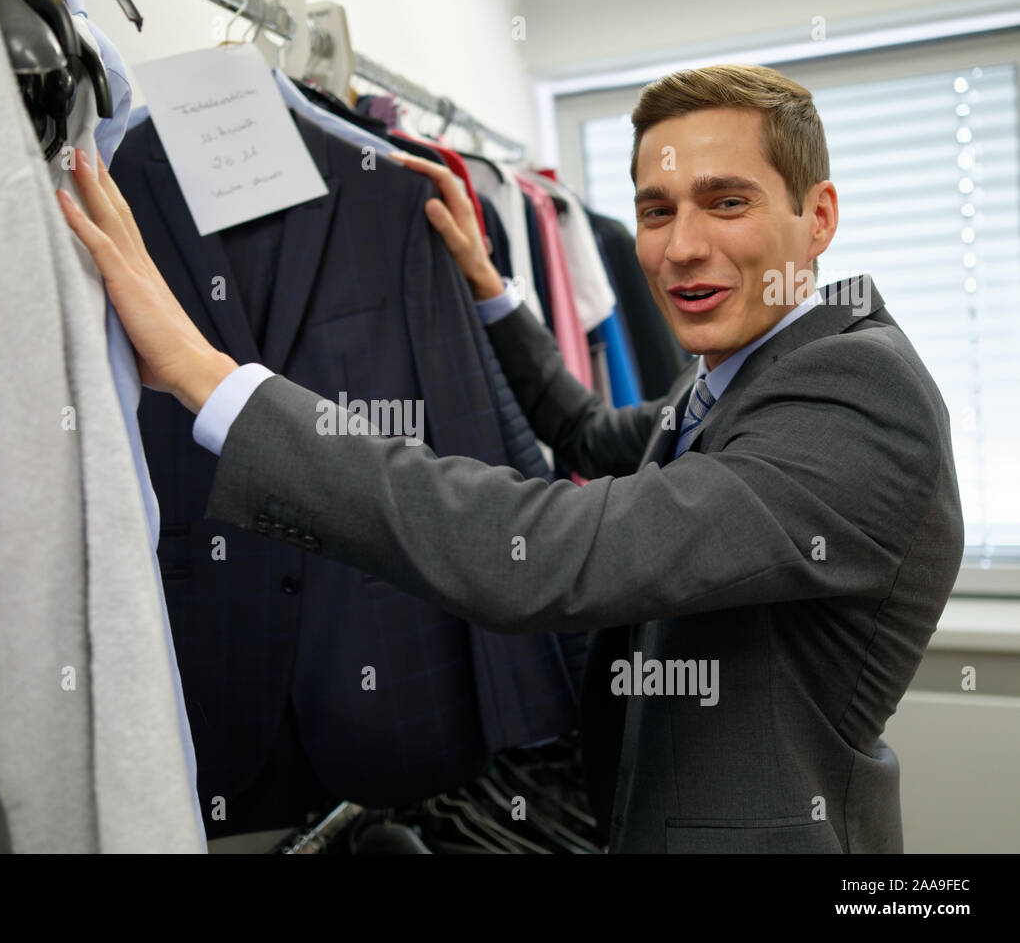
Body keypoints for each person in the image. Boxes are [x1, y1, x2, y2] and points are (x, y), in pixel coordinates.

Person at [55, 64, 963, 853]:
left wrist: (211, 380)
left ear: (819, 216)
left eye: (728, 202)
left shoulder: (853, 394)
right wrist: (492, 291)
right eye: (657, 209)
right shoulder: (742, 377)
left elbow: (550, 552)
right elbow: (586, 436)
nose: (683, 246)